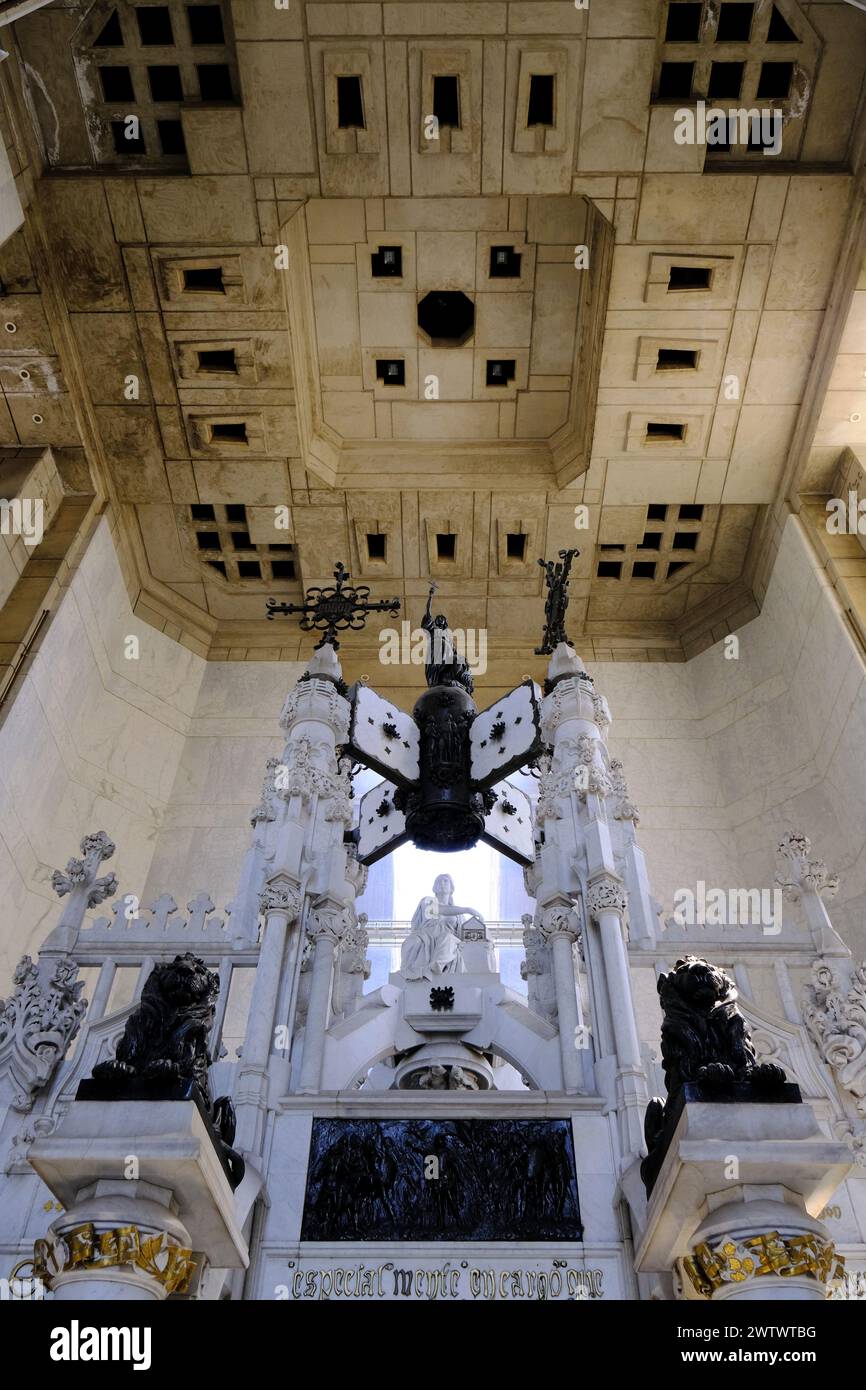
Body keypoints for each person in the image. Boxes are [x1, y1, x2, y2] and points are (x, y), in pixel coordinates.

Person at [400, 894, 464, 980]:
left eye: (445, 882)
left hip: (450, 937)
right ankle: (414, 970)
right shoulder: (428, 900)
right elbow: (439, 909)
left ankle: (436, 965)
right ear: (434, 888)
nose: (442, 885)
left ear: (451, 889)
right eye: (439, 882)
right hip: (427, 936)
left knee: (447, 938)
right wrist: (468, 910)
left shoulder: (459, 915)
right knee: (413, 941)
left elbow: (465, 930)